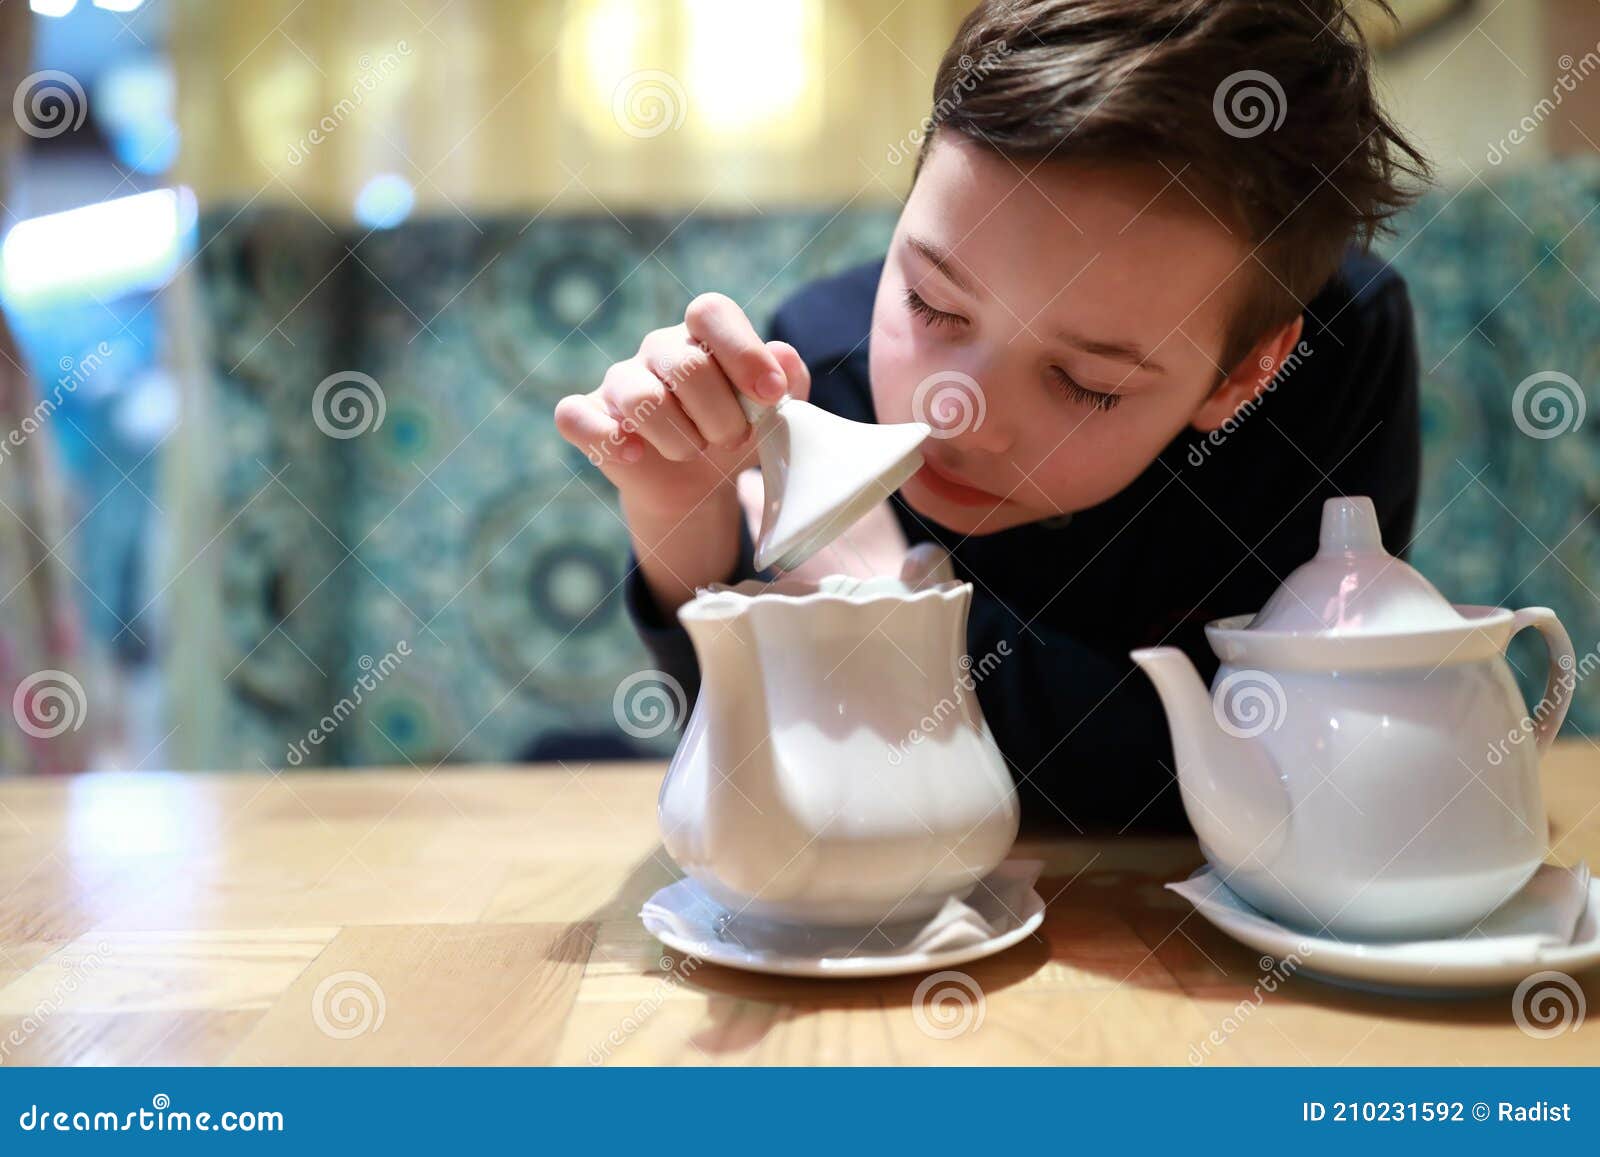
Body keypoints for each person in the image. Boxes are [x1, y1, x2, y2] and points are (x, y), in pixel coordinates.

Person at [554, 0, 1429, 830]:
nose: (957, 414)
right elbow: (771, 768)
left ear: (1243, 376)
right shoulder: (821, 366)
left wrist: (891, 608)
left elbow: (1289, 765)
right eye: (934, 304)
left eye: (1086, 380)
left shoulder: (1335, 358)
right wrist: (677, 512)